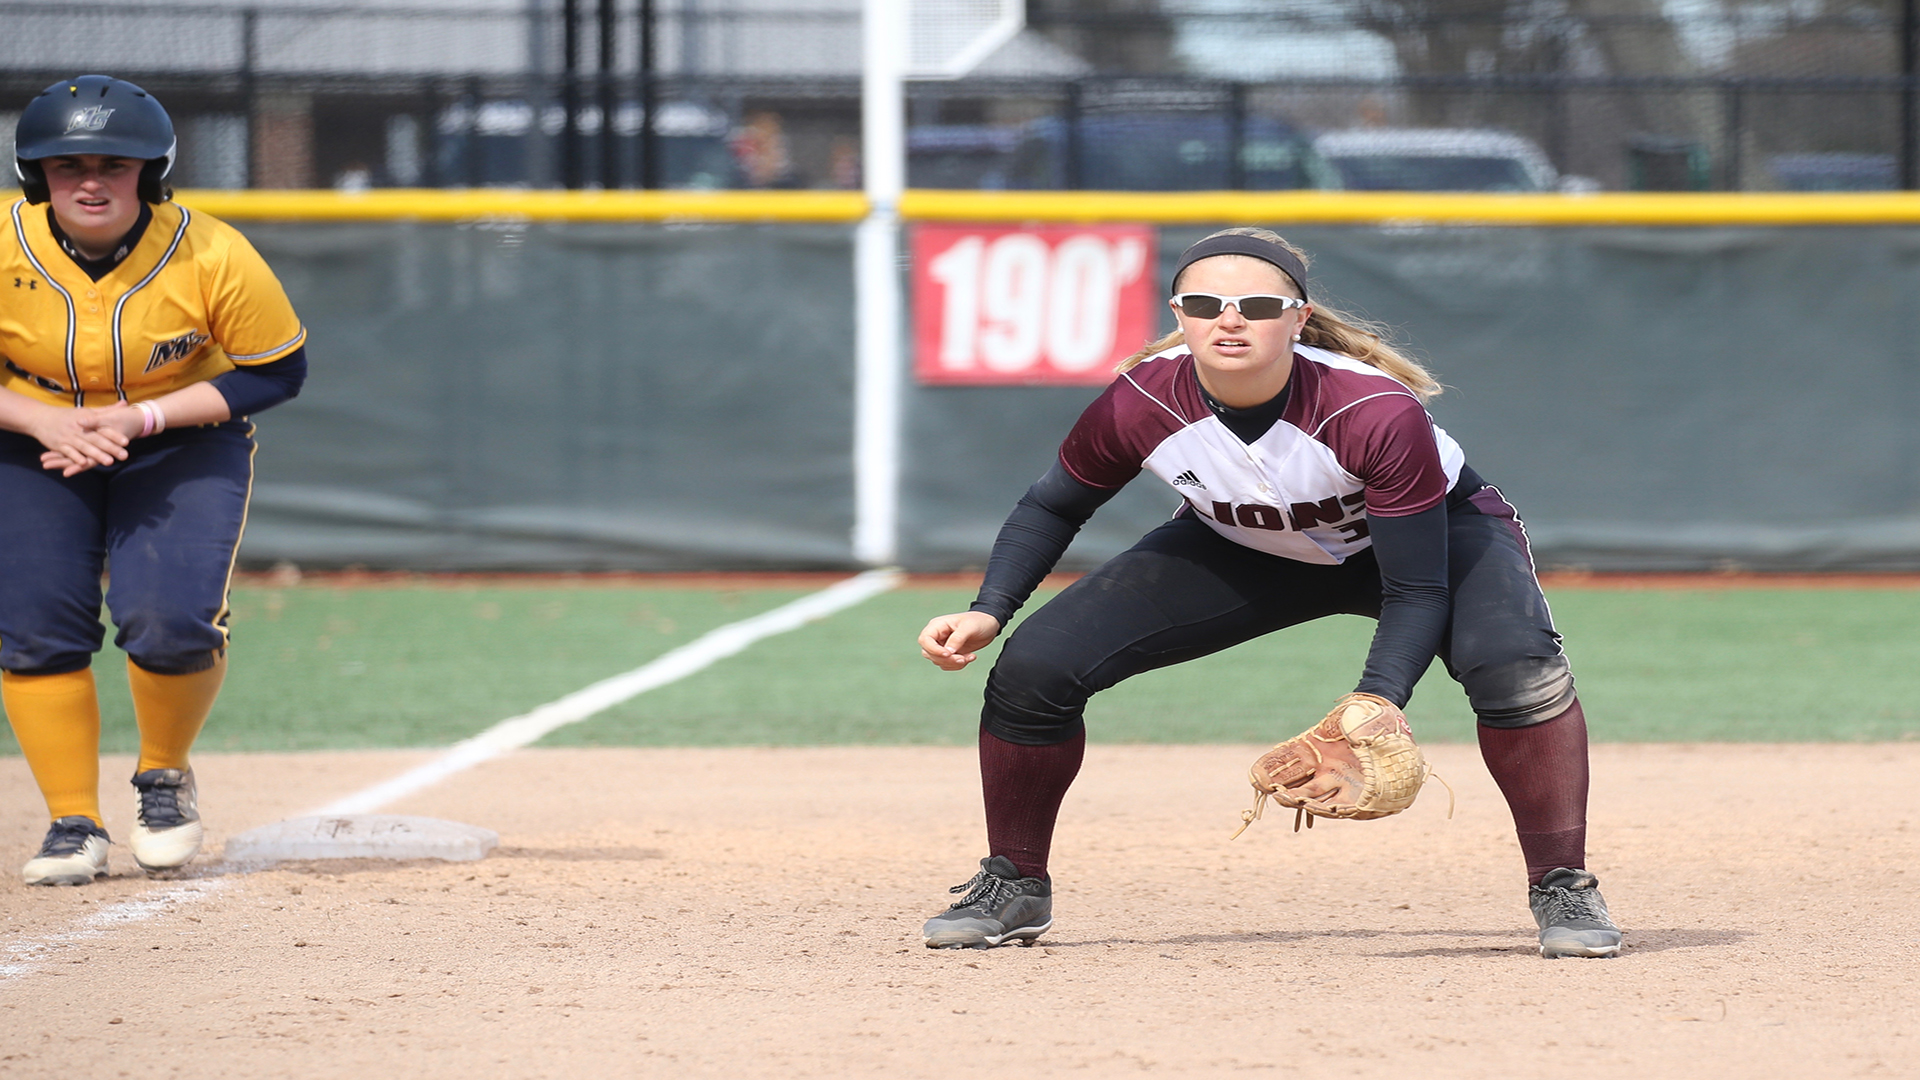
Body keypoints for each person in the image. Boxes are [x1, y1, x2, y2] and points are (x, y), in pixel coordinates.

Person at [915, 227, 1622, 959]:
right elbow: (1053, 505)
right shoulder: (1140, 401)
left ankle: (1562, 885)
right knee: (1034, 670)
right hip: (1245, 546)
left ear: (1297, 317)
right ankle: (1015, 882)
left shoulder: (1370, 410)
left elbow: (1416, 587)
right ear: (1177, 315)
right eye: (1205, 303)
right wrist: (989, 608)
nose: (1230, 318)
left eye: (1256, 303)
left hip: (1432, 542)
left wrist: (1376, 701)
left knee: (1515, 666)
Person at [1, 76, 309, 884]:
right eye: (67, 166)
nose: (91, 181)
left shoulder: (211, 251)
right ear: (36, 175)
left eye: (116, 162)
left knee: (170, 619)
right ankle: (72, 821)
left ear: (153, 169)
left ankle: (163, 776)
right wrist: (45, 421)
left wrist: (137, 419)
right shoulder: (3, 243)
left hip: (177, 439)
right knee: (36, 627)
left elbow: (276, 370)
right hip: (28, 440)